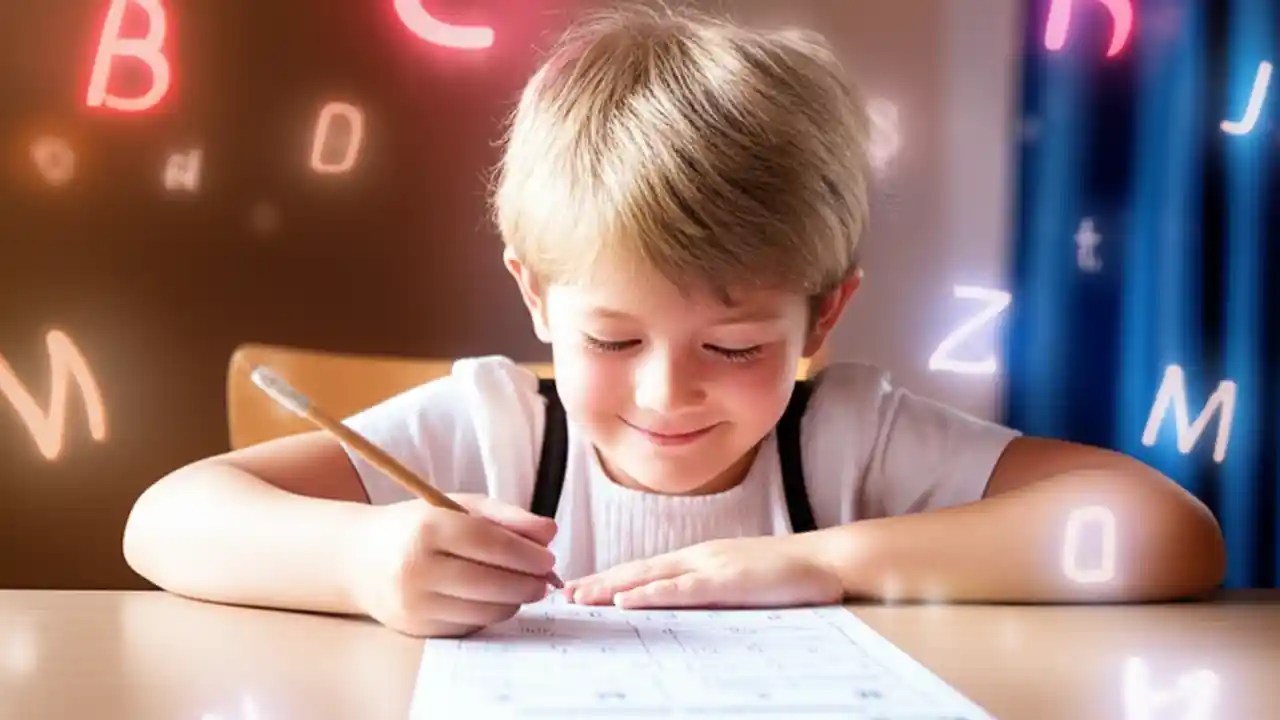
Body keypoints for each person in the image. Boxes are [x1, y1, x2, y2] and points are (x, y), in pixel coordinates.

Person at [123, 4, 1226, 639]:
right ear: (535, 293)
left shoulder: (847, 440)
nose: (664, 394)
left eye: (736, 347)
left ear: (822, 316)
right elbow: (167, 518)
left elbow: (1164, 530)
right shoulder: (495, 429)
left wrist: (826, 561)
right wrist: (364, 560)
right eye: (610, 340)